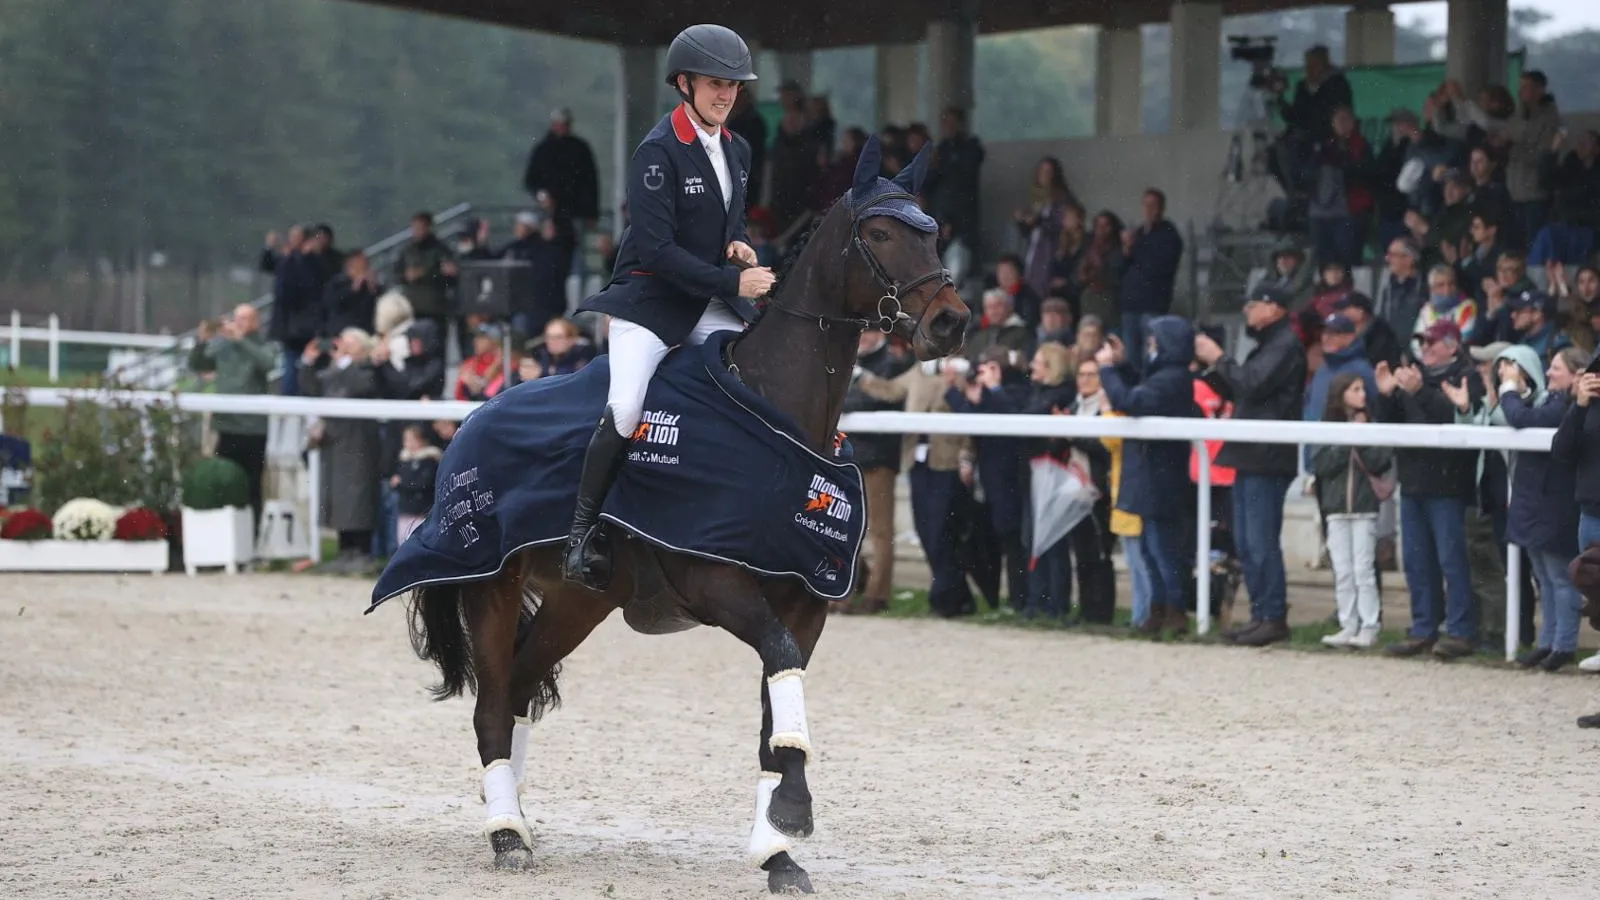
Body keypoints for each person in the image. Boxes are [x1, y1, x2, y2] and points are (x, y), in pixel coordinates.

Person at [562, 24, 773, 591]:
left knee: (759, 372)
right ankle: (580, 535)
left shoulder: (739, 148)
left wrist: (737, 243)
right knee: (627, 408)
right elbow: (657, 251)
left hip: (705, 297)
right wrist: (734, 281)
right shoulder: (657, 151)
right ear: (684, 83)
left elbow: (726, 223)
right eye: (714, 83)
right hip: (649, 299)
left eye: (733, 85)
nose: (726, 94)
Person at [1311, 373, 1391, 649]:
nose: (1362, 395)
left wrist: (1362, 437)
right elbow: (1322, 465)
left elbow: (1380, 461)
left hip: (1363, 507)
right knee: (1343, 570)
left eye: (1362, 389)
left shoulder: (1373, 425)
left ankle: (1370, 625)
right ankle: (1348, 623)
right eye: (1355, 389)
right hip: (1335, 508)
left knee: (1363, 569)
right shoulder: (1327, 427)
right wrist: (1348, 440)